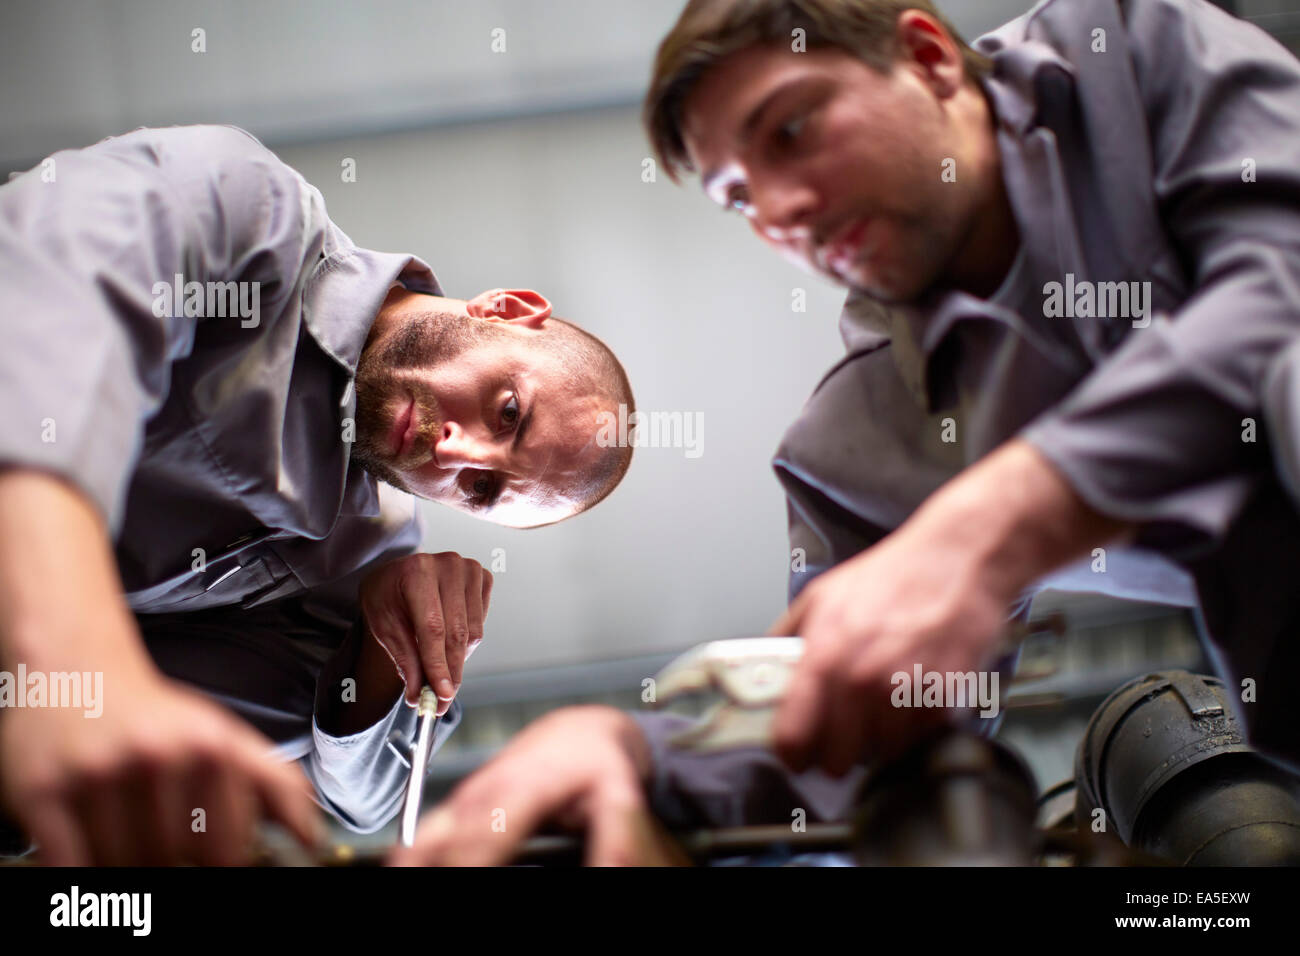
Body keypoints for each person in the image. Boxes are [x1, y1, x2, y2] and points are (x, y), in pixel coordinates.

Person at [393, 0, 1300, 865]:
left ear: (930, 58)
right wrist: (632, 752)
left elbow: (1276, 298)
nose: (780, 211)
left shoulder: (1126, 58)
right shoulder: (863, 446)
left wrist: (999, 517)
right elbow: (844, 735)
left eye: (791, 130)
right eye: (740, 197)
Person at [0, 124, 635, 864]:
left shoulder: (361, 559)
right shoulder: (245, 206)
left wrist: (383, 648)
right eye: (507, 412)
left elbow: (362, 804)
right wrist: (77, 658)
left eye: (484, 488)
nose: (455, 450)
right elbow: (49, 303)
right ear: (506, 309)